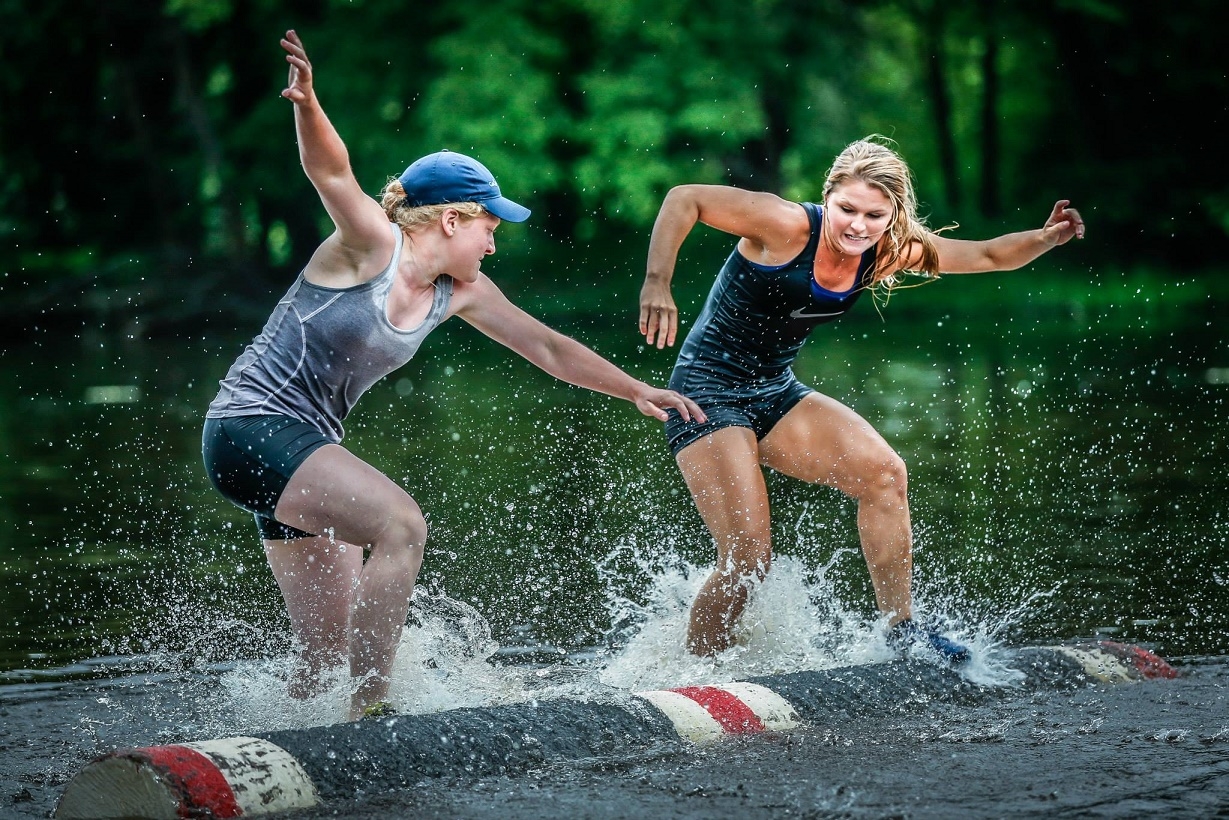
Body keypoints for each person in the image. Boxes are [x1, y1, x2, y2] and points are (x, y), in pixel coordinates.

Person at [202, 30, 704, 720]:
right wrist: (308, 104)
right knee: (400, 526)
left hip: (294, 455)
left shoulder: (459, 290)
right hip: (248, 430)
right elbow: (332, 174)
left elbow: (551, 351)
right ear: (450, 218)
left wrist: (639, 389)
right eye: (489, 226)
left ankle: (291, 755)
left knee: (323, 661)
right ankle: (373, 715)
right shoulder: (371, 248)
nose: (495, 241)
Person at [637, 136, 1084, 660]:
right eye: (846, 209)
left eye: (874, 215)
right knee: (748, 557)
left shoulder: (886, 252)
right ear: (827, 199)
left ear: (892, 215)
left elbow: (986, 254)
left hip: (775, 392)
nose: (857, 226)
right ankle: (697, 675)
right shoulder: (784, 225)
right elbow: (683, 198)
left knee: (885, 475)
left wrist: (1046, 239)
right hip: (707, 392)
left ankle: (901, 630)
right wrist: (657, 281)